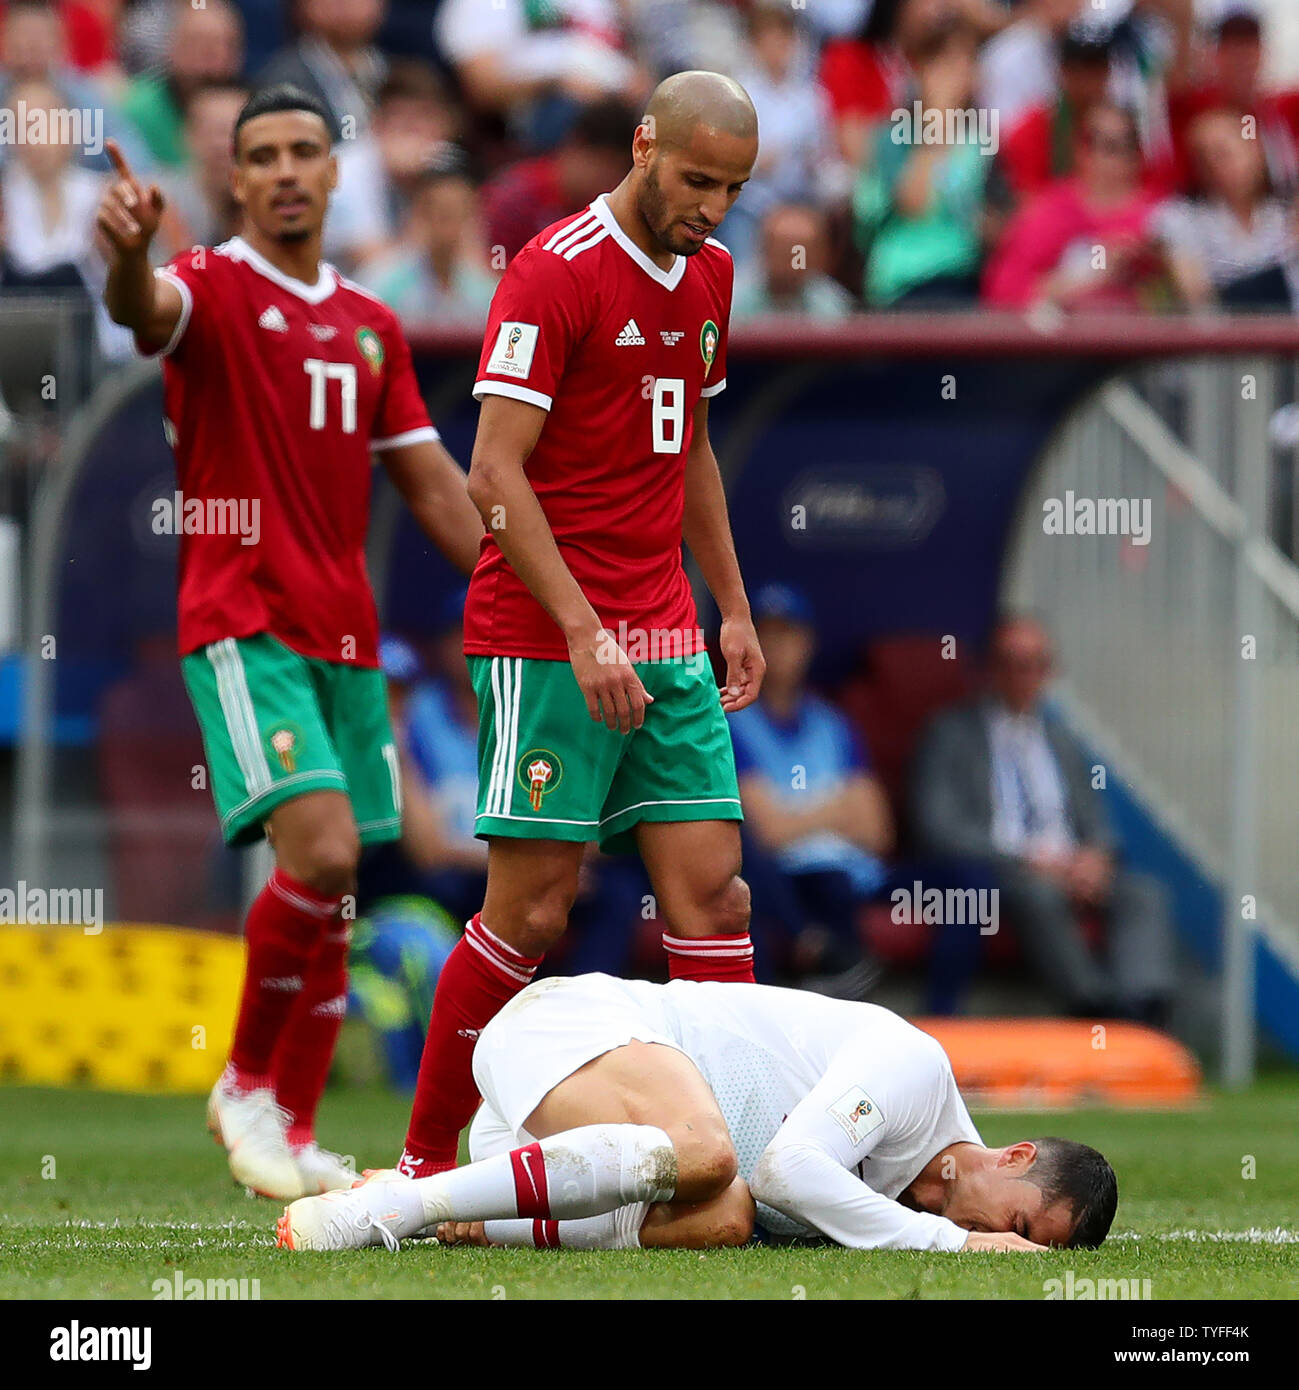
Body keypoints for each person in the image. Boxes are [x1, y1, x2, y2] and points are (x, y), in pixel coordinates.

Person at [96, 84, 484, 1201]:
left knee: (341, 879)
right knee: (315, 853)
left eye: (302, 150)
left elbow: (434, 486)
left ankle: (300, 1128)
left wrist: (536, 598)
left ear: (332, 169)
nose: (281, 170)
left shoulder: (371, 323)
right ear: (235, 175)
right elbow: (141, 310)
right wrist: (126, 255)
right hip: (244, 619)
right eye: (258, 153)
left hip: (345, 634)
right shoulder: (212, 289)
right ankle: (247, 1084)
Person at [393, 71, 767, 1181]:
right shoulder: (555, 273)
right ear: (644, 146)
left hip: (667, 630)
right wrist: (582, 630)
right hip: (546, 636)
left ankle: (728, 1164)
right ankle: (421, 1162)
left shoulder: (714, 275)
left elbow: (688, 442)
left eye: (732, 189)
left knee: (715, 894)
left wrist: (732, 605)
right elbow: (491, 472)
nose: (710, 206)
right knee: (534, 908)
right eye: (697, 179)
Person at [277, 973, 1117, 1252]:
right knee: (710, 1157)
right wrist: (956, 1242)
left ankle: (463, 1212)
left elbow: (773, 1191)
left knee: (723, 1216)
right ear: (1011, 1156)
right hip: (565, 1030)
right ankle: (398, 1204)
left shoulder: (889, 1205)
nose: (1003, 1243)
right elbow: (791, 1165)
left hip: (538, 1145)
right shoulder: (914, 1070)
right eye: (1019, 1227)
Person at [909, 614, 1176, 1021]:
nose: (1025, 675)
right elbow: (939, 826)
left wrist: (1095, 858)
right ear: (989, 668)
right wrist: (1027, 857)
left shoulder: (1062, 738)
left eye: (1036, 663)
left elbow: (1095, 819)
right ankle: (1095, 1008)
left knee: (1143, 893)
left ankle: (1144, 1011)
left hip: (1071, 865)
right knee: (1038, 893)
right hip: (1006, 869)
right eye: (1013, 663)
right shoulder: (950, 732)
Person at [729, 583, 891, 988]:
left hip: (842, 876)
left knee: (837, 885)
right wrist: (836, 808)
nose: (777, 647)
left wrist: (795, 816)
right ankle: (817, 954)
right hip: (776, 878)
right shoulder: (731, 722)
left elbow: (877, 831)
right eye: (766, 634)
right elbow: (765, 833)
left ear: (809, 643)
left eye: (789, 634)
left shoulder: (834, 724)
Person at [853, 18, 996, 308]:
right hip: (901, 283)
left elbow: (991, 226)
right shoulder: (893, 137)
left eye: (966, 60)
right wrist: (937, 123)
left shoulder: (984, 141)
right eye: (944, 60)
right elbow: (914, 203)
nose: (956, 72)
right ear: (920, 71)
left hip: (964, 280)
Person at [983, 103, 1166, 312]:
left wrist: (1158, 262)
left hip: (1142, 336)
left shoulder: (1161, 215)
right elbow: (1003, 290)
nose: (1117, 157)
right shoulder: (1052, 211)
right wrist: (1094, 269)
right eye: (1105, 144)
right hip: (1066, 338)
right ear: (1081, 150)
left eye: (1127, 144)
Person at [1158, 107, 1298, 311]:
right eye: (1202, 157)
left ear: (1256, 149)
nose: (1213, 165)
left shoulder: (1286, 212)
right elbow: (1198, 302)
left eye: (1222, 153)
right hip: (1225, 339)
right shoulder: (1180, 218)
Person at [480, 96, 640, 265]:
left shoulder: (607, 212)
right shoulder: (516, 197)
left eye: (618, 172)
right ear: (576, 146)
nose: (610, 180)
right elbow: (491, 270)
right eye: (605, 166)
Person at [355, 150, 499, 326]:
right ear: (419, 212)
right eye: (441, 212)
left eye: (457, 212)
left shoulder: (485, 292)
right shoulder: (380, 286)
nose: (448, 226)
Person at [122, 0, 245, 170]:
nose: (208, 56)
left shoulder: (249, 109)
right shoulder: (138, 109)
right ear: (172, 48)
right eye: (197, 43)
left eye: (220, 45)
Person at [731, 203, 857, 319]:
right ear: (765, 250)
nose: (791, 262)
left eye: (799, 255)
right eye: (784, 251)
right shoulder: (732, 299)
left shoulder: (832, 305)